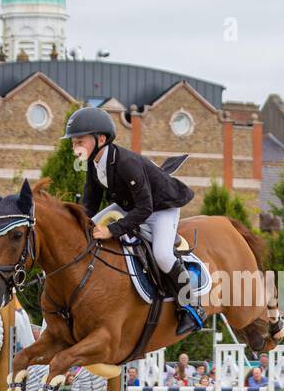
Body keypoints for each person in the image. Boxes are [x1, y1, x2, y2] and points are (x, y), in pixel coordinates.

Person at [67, 106, 202, 335]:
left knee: (162, 254)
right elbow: (89, 205)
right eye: (73, 142)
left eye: (80, 141)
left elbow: (145, 208)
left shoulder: (126, 163)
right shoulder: (93, 163)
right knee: (90, 228)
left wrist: (112, 231)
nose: (75, 147)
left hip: (160, 208)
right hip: (132, 205)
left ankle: (191, 306)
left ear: (100, 139)